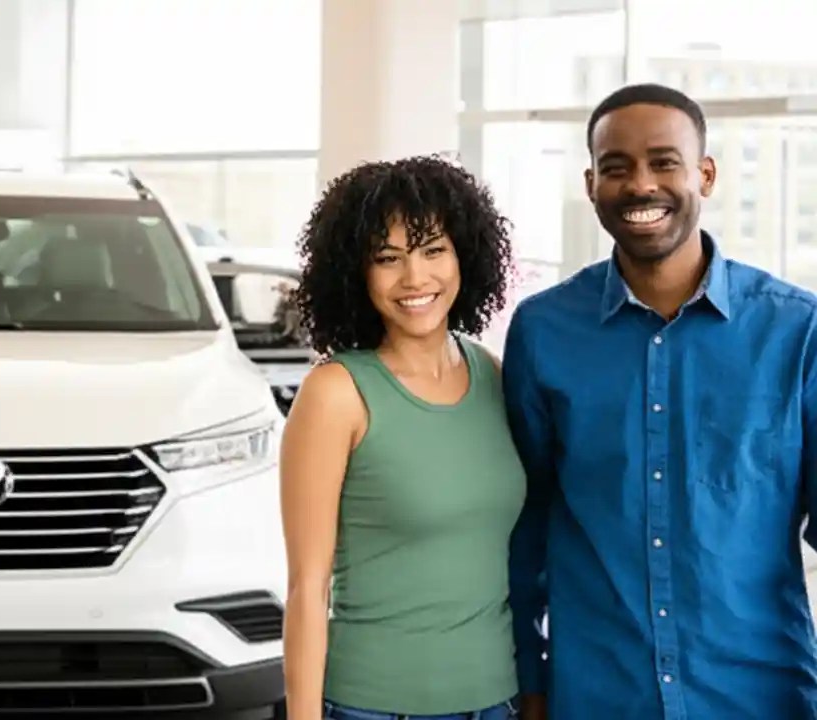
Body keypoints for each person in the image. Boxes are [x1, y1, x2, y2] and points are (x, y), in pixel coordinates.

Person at [503, 82, 817, 719]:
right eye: (616, 168)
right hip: (597, 696)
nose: (640, 185)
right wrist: (527, 681)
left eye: (664, 162)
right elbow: (521, 525)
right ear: (591, 185)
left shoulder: (797, 331)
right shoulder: (543, 331)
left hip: (760, 697)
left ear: (705, 174)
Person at [280, 155, 525, 720]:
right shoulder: (336, 393)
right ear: (357, 274)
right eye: (388, 259)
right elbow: (306, 587)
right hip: (376, 706)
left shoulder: (489, 372)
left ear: (466, 255)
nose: (415, 279)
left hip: (494, 701)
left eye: (434, 250)